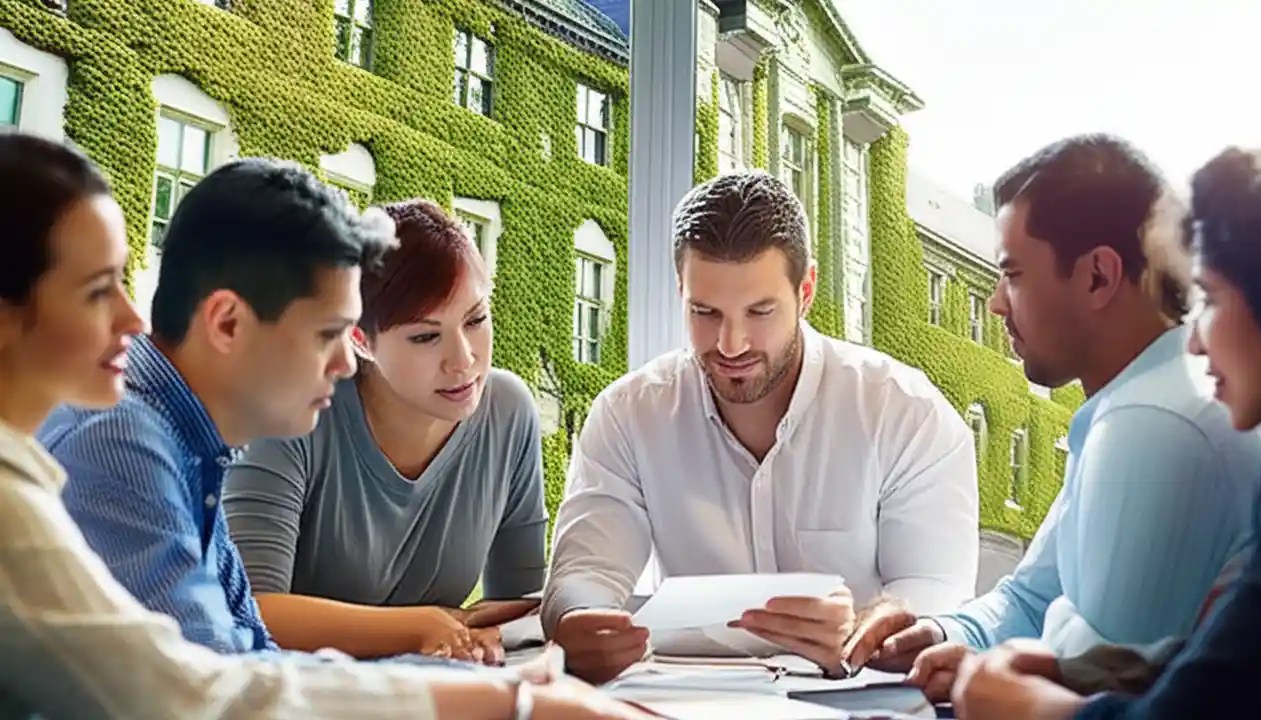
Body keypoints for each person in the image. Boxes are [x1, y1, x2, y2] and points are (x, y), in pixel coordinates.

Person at [0, 132, 648, 719]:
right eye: (328, 334)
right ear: (227, 323)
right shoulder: (117, 440)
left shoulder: (183, 439)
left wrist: (486, 687)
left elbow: (248, 662)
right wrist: (505, 701)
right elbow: (207, 699)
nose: (345, 364)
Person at [846, 134, 1261, 702]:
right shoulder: (1126, 408)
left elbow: (1103, 687)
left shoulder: (1153, 425)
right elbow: (1033, 599)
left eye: (1013, 274)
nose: (996, 303)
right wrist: (944, 634)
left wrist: (1010, 675)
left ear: (1097, 276)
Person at [542, 170, 981, 684]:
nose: (731, 344)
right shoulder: (629, 415)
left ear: (806, 290)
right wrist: (577, 619)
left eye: (760, 311)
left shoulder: (906, 415)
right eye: (705, 312)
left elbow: (937, 599)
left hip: (856, 703)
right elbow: (584, 573)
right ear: (680, 290)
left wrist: (868, 629)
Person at [224, 199, 547, 665]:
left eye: (476, 319)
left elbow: (520, 611)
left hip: (435, 690)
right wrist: (423, 626)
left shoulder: (508, 412)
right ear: (360, 339)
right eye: (425, 336)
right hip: (296, 692)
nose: (464, 360)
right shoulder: (288, 409)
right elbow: (249, 612)